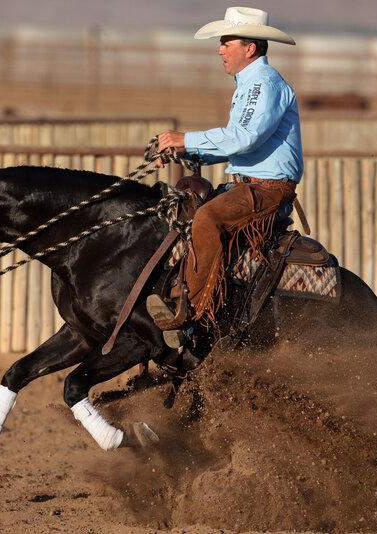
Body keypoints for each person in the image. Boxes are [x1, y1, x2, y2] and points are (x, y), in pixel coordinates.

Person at [150, 6, 303, 347]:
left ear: (250, 48)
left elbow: (243, 138)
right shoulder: (249, 85)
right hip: (249, 187)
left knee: (207, 217)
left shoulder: (263, 83)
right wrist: (184, 151)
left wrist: (185, 139)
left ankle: (188, 314)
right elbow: (239, 142)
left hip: (267, 191)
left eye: (226, 43)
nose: (219, 50)